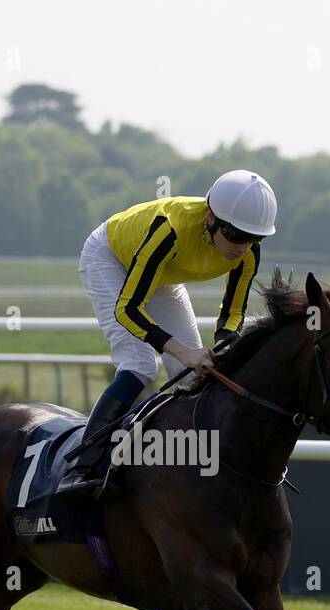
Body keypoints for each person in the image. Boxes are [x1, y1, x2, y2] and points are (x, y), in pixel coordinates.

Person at [57, 169, 277, 498]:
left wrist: (225, 344)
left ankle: (182, 460)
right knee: (140, 365)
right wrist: (181, 350)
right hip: (111, 258)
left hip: (162, 273)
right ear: (211, 219)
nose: (242, 247)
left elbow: (232, 313)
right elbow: (127, 309)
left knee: (191, 377)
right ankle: (81, 467)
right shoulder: (169, 230)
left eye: (252, 238)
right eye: (234, 234)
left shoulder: (247, 254)